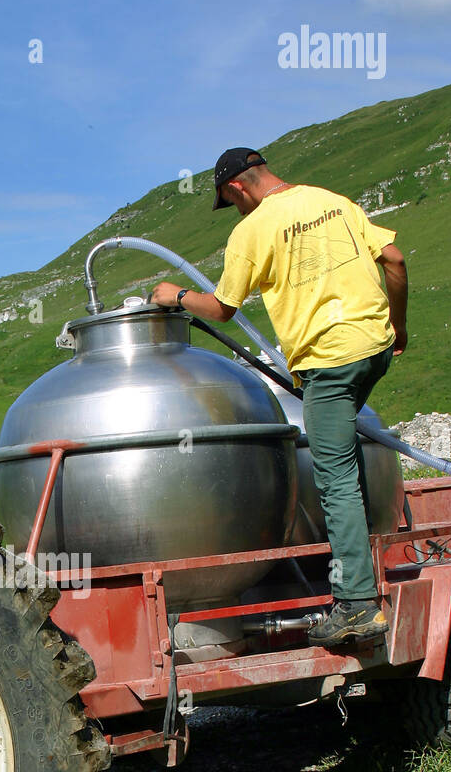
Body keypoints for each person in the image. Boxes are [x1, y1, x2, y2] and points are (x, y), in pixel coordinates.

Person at [151, 147, 408, 646]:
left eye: (232, 202)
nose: (237, 210)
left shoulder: (252, 230)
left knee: (336, 478)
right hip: (372, 348)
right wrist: (396, 330)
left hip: (329, 362)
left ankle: (357, 605)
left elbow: (222, 308)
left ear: (236, 188)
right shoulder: (331, 201)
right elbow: (394, 260)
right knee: (342, 455)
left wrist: (176, 296)